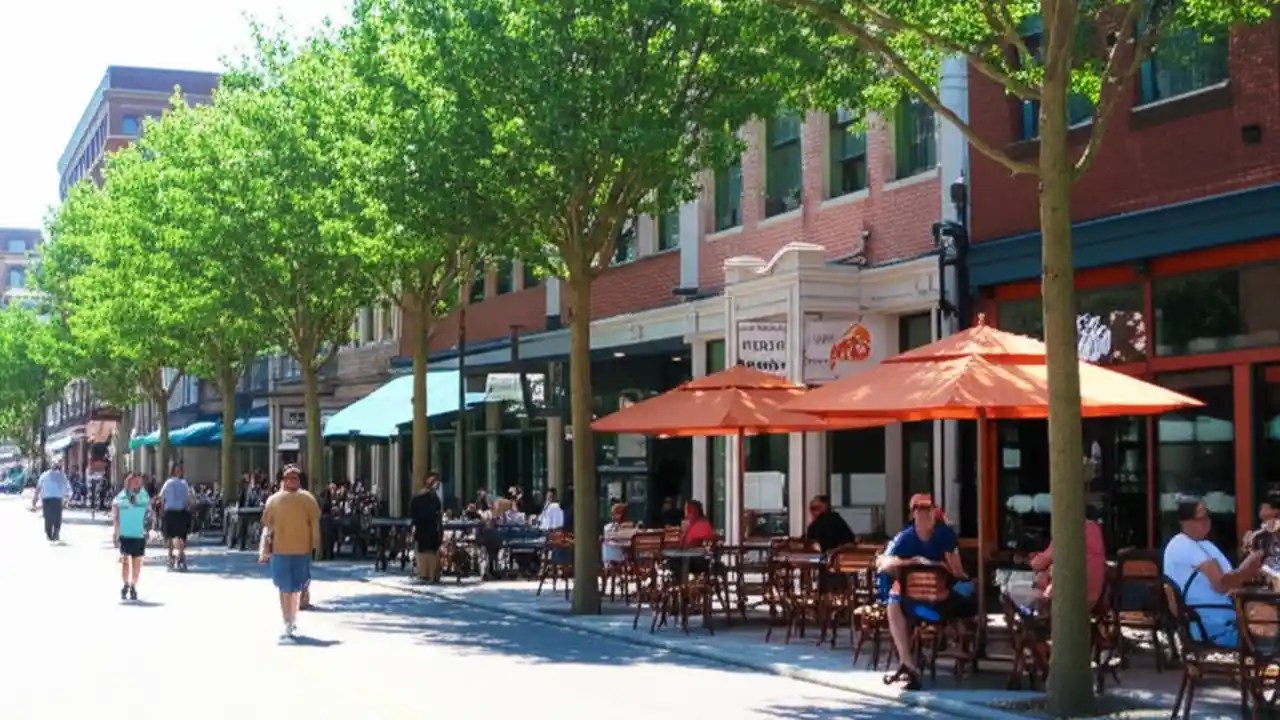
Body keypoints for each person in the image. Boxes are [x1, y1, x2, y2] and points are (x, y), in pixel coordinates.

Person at [877, 494, 972, 690]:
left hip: (940, 602)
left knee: (895, 604)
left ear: (935, 511)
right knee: (894, 603)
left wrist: (944, 566)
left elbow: (957, 571)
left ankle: (944, 644)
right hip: (921, 604)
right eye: (918, 508)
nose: (923, 512)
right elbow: (882, 563)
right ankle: (909, 663)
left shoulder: (944, 534)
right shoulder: (905, 537)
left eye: (927, 507)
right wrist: (910, 562)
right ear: (912, 513)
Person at [1164, 497, 1264, 648]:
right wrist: (1250, 563)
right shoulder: (1182, 545)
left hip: (1229, 617)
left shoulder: (1205, 544)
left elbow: (1233, 581)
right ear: (1185, 522)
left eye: (1207, 516)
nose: (1206, 522)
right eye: (1200, 518)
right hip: (1213, 626)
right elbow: (1221, 584)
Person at [258, 465, 321, 641]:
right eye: (290, 478)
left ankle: (290, 619)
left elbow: (314, 523)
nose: (292, 480)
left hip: (292, 550)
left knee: (291, 588)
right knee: (289, 588)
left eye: (294, 477)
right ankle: (289, 620)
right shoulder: (284, 500)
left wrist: (316, 543)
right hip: (289, 550)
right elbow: (267, 523)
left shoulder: (302, 499)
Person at [1029, 512, 1107, 608]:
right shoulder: (1095, 530)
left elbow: (1039, 563)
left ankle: (1030, 620)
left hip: (1067, 598)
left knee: (1015, 591)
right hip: (1093, 598)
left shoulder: (1069, 529)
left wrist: (1033, 560)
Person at [113, 473, 150, 601]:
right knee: (125, 561)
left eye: (139, 482)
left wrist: (148, 530)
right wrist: (116, 533)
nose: (137, 484)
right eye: (135, 481)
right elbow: (116, 516)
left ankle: (134, 585)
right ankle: (125, 584)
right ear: (128, 482)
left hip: (139, 534)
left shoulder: (144, 495)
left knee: (137, 563)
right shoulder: (120, 497)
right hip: (125, 534)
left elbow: (147, 512)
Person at [410, 472, 444, 583]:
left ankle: (424, 573)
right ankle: (430, 574)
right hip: (429, 528)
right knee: (429, 551)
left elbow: (413, 512)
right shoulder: (432, 497)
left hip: (424, 528)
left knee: (425, 550)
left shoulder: (420, 496)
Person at [159, 464, 193, 571]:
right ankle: (179, 556)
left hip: (171, 512)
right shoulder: (184, 483)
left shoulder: (169, 483)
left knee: (172, 536)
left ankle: (172, 557)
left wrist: (162, 508)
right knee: (179, 536)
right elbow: (189, 499)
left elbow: (161, 497)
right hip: (179, 512)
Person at [33, 463, 71, 542]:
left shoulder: (44, 475)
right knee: (57, 517)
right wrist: (67, 498)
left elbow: (38, 487)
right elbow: (67, 487)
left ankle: (49, 534)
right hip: (58, 498)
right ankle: (56, 532)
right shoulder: (62, 475)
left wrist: (35, 499)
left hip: (46, 499)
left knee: (48, 517)